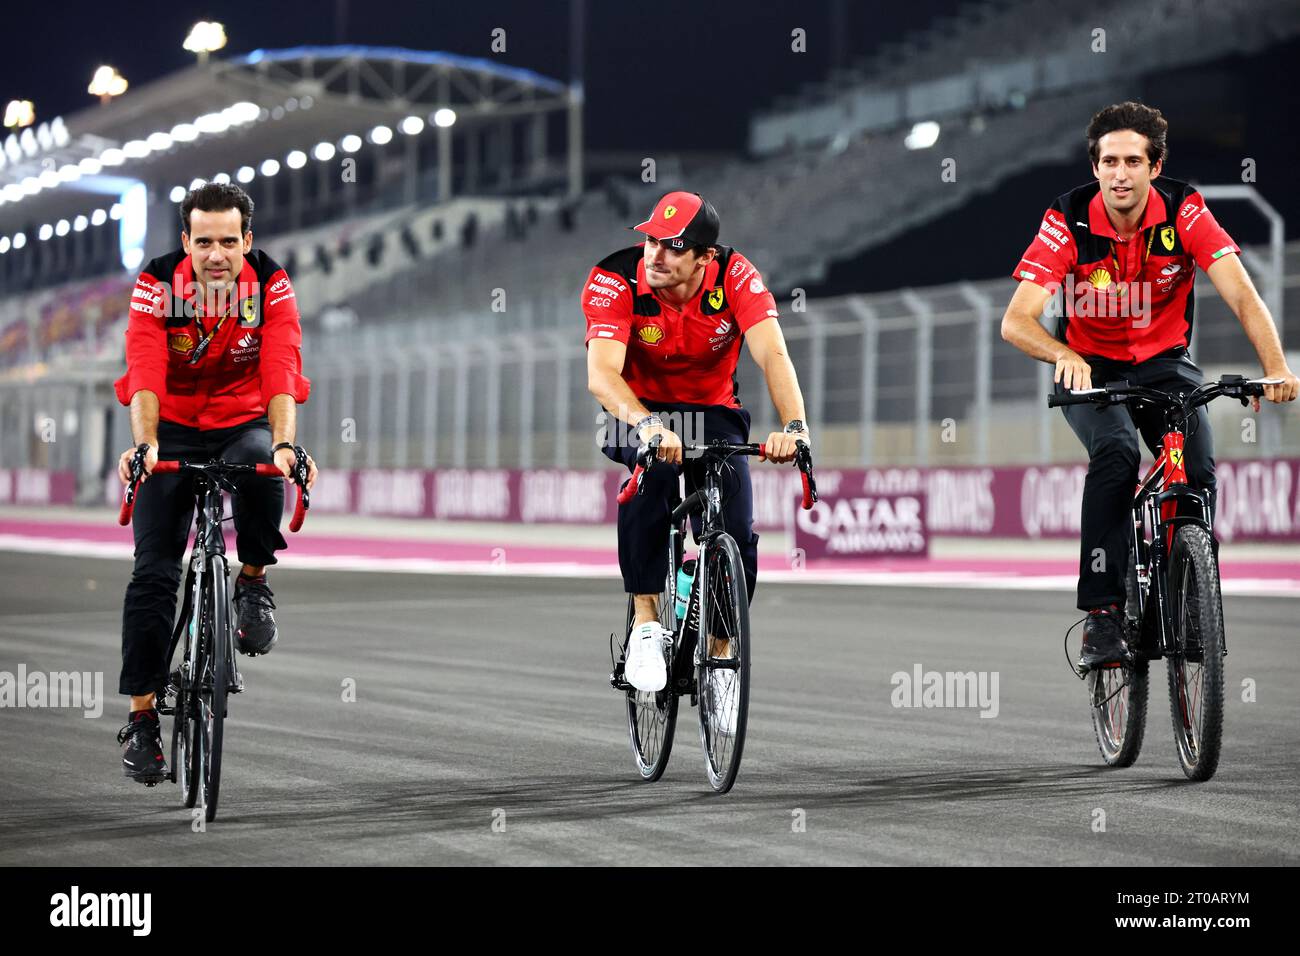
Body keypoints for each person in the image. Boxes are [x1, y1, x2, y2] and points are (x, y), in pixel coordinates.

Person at [1001, 102, 1298, 671]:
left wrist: (1277, 368)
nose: (1119, 173)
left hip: (1165, 363)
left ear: (1154, 167)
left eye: (1132, 161)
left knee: (1199, 469)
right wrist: (1064, 354)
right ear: (1095, 168)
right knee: (1115, 453)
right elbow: (1016, 321)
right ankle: (1103, 614)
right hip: (1091, 368)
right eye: (1108, 161)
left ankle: (1192, 604)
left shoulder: (1185, 210)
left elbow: (1240, 293)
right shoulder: (1067, 219)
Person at [112, 182, 318, 784]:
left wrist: (284, 443)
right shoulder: (156, 283)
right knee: (152, 575)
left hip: (242, 420)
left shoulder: (270, 283)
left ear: (247, 242)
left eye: (229, 241)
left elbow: (282, 363)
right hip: (170, 426)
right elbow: (145, 365)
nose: (217, 255)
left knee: (264, 469)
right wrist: (146, 443)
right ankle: (143, 721)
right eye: (204, 242)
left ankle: (252, 583)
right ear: (186, 243)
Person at [584, 190, 812, 704]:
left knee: (736, 524)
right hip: (632, 409)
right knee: (655, 475)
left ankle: (722, 656)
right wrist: (647, 426)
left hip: (711, 415)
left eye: (672, 247)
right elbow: (601, 375)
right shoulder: (614, 278)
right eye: (650, 241)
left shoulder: (735, 275)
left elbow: (773, 354)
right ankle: (645, 625)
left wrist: (795, 427)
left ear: (705, 257)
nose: (655, 256)